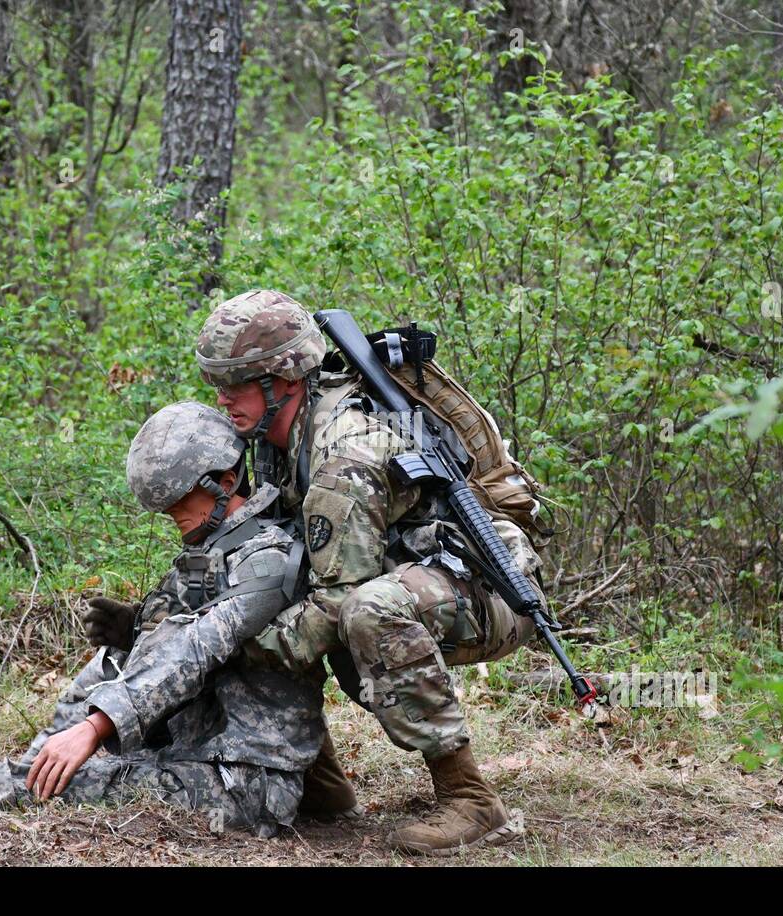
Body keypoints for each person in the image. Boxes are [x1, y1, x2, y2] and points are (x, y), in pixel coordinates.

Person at [0, 402, 328, 838]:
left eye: (177, 501)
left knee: (80, 784)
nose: (171, 515)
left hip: (246, 784)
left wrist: (94, 727)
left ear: (226, 480)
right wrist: (131, 639)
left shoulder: (270, 559)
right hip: (193, 750)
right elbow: (147, 654)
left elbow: (194, 649)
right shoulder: (212, 547)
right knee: (85, 709)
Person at [195, 289, 544, 855]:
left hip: (491, 589)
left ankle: (471, 798)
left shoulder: (344, 452)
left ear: (281, 381)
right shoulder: (277, 437)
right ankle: (318, 781)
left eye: (235, 383)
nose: (222, 397)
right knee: (276, 589)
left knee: (366, 614)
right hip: (411, 574)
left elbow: (337, 602)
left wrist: (223, 647)